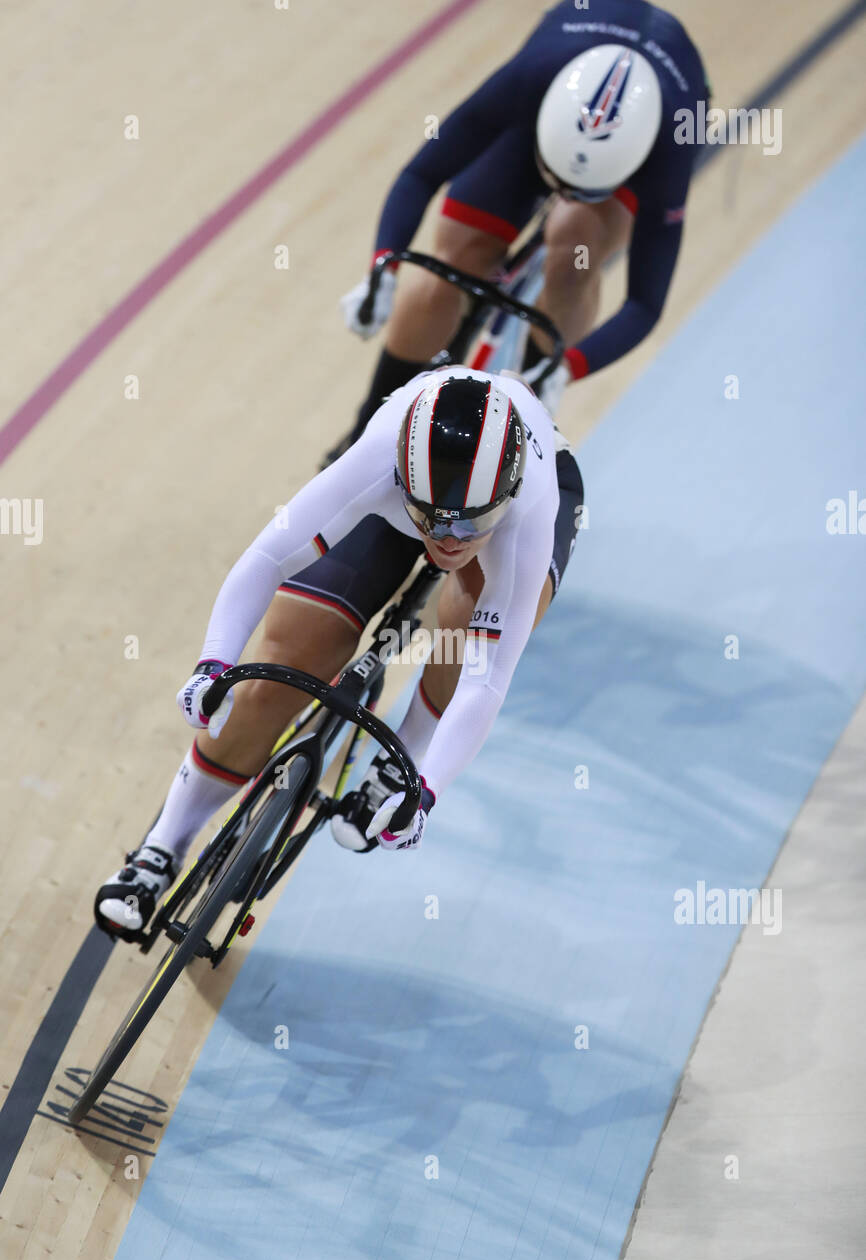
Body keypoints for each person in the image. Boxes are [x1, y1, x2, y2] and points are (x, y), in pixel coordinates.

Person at [94, 367, 584, 935]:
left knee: (466, 625)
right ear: (402, 477)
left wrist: (425, 791)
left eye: (471, 523)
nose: (450, 540)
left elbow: (487, 679)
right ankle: (160, 848)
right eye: (434, 522)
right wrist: (214, 663)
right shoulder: (380, 455)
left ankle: (405, 754)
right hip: (399, 502)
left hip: (511, 508)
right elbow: (267, 557)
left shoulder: (529, 504)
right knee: (285, 659)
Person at [324, 0, 708, 464]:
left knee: (577, 247)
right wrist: (382, 267)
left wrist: (567, 365)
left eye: (579, 189)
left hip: (637, 138)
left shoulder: (667, 148)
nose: (564, 192)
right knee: (453, 261)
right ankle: (369, 434)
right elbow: (421, 174)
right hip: (547, 110)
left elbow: (646, 303)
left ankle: (523, 418)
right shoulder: (529, 78)